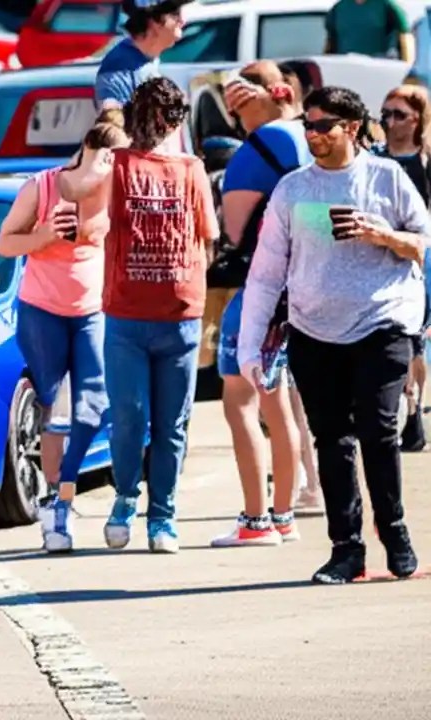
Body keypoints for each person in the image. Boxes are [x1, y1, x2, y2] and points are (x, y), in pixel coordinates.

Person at [239, 86, 428, 584]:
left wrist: (382, 235)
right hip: (313, 328)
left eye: (324, 126)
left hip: (381, 321)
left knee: (378, 429)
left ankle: (396, 532)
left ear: (351, 127)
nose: (313, 134)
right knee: (331, 439)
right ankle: (346, 549)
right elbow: (265, 272)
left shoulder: (387, 178)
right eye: (309, 125)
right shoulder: (293, 188)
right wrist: (249, 341)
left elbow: (424, 244)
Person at [0, 111, 130, 553]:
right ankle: (54, 506)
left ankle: (69, 491)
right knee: (53, 404)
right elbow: (4, 243)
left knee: (93, 404)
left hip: (92, 309)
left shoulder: (117, 189)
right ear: (98, 154)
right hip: (42, 309)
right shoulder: (44, 186)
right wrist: (43, 236)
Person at [101, 77, 220, 554]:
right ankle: (125, 498)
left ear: (174, 122)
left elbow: (207, 239)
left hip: (180, 317)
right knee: (129, 416)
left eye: (163, 116)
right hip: (126, 316)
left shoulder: (191, 169)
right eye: (147, 114)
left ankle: (163, 517)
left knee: (173, 424)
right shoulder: (116, 166)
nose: (155, 125)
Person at [209, 62, 313, 548]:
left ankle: (256, 521)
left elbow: (233, 232)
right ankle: (285, 516)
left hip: (265, 294)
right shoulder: (318, 142)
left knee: (242, 403)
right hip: (309, 291)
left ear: (275, 92)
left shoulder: (260, 148)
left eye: (241, 101)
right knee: (280, 405)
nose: (237, 114)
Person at [373, 84, 431, 451]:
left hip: (422, 258)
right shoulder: (375, 159)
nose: (390, 122)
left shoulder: (425, 162)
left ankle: (414, 408)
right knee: (394, 337)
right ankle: (396, 407)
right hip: (381, 257)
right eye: (385, 114)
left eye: (399, 115)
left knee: (417, 340)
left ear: (418, 120)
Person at [94, 0, 190, 110]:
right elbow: (112, 123)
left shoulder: (146, 59)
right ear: (153, 20)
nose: (183, 20)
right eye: (175, 13)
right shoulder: (117, 76)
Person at [325, 0, 413, 61]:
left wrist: (408, 71)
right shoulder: (338, 9)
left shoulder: (388, 6)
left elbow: (405, 37)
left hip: (380, 68)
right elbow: (329, 44)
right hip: (346, 68)